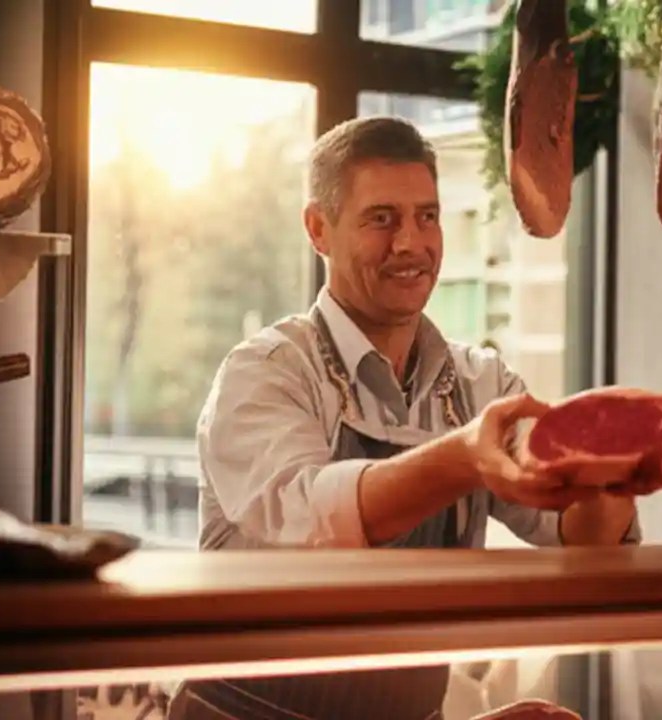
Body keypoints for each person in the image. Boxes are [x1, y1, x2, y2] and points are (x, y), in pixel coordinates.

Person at [170, 116, 637, 720]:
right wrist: (463, 457)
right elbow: (316, 523)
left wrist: (618, 465)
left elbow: (580, 540)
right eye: (381, 219)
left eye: (428, 216)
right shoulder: (266, 372)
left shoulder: (480, 384)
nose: (411, 243)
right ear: (318, 229)